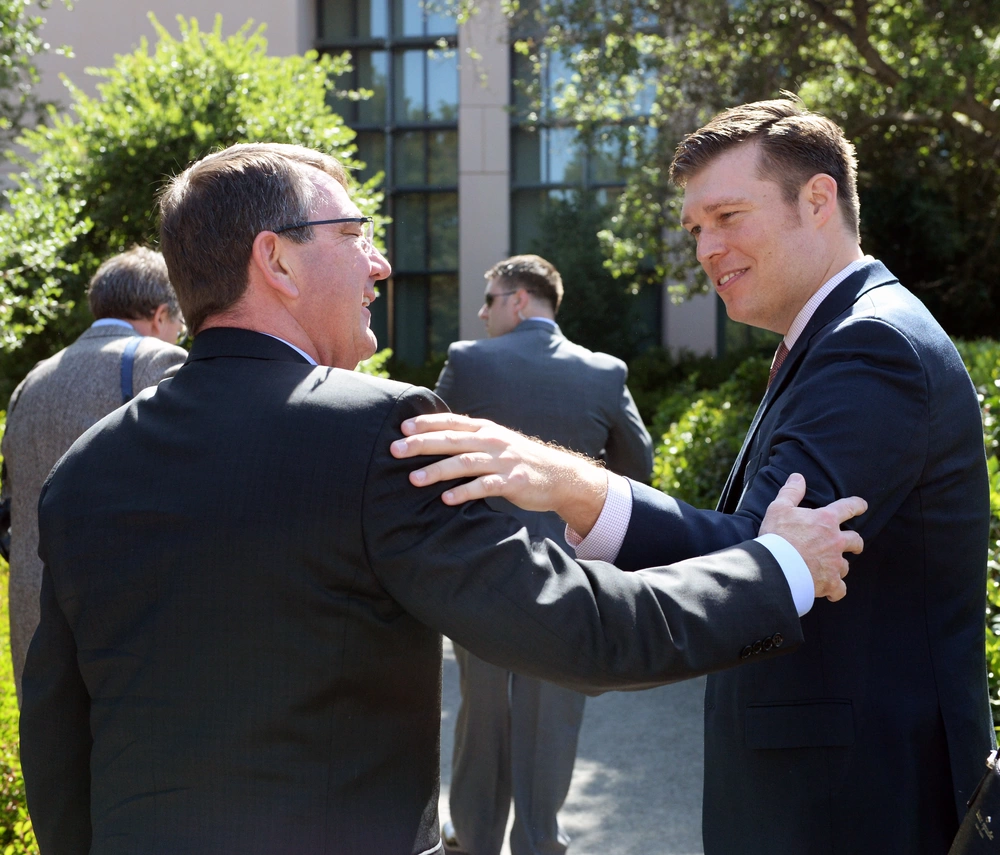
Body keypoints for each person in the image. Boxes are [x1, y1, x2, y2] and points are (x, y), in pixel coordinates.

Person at [19, 142, 865, 855]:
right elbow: (579, 627)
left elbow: (55, 742)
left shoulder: (84, 470)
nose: (381, 262)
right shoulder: (376, 432)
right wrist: (778, 566)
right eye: (354, 233)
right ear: (274, 259)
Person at [392, 98, 993, 854]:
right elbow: (766, 551)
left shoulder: (871, 344)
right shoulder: (838, 333)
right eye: (695, 229)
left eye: (728, 216)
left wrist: (568, 484)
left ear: (817, 199)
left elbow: (760, 550)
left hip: (859, 807)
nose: (706, 248)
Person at [436, 254, 653, 855]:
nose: (481, 314)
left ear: (520, 300)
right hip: (569, 577)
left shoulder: (467, 361)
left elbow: (425, 456)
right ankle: (538, 841)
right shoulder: (605, 371)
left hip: (480, 572)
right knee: (551, 720)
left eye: (489, 300)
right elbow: (638, 469)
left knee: (481, 715)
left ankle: (475, 839)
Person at [1, 245, 187, 703]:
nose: (181, 334)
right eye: (179, 322)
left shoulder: (33, 380)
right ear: (161, 313)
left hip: (33, 613)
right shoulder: (159, 363)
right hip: (126, 615)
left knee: (52, 757)